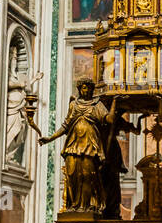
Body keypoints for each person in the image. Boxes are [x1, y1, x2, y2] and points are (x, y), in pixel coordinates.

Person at [39, 78, 110, 213]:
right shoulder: (73, 105)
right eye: (83, 87)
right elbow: (65, 126)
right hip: (73, 144)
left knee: (87, 176)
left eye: (89, 88)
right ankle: (74, 206)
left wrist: (114, 104)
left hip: (90, 145)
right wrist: (50, 138)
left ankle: (86, 206)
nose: (86, 90)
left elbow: (109, 119)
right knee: (72, 175)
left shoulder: (97, 104)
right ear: (79, 89)